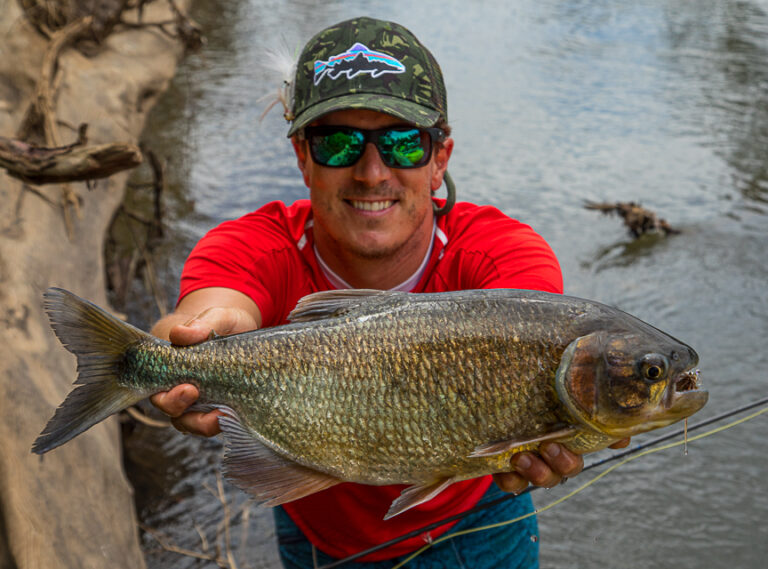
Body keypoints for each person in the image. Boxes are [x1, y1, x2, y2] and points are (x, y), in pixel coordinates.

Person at [150, 16, 628, 568]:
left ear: (439, 159)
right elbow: (213, 307)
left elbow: (538, 334)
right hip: (316, 532)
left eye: (402, 144)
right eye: (339, 144)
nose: (372, 172)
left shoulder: (501, 252)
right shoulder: (252, 244)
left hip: (477, 523)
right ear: (303, 156)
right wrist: (186, 347)